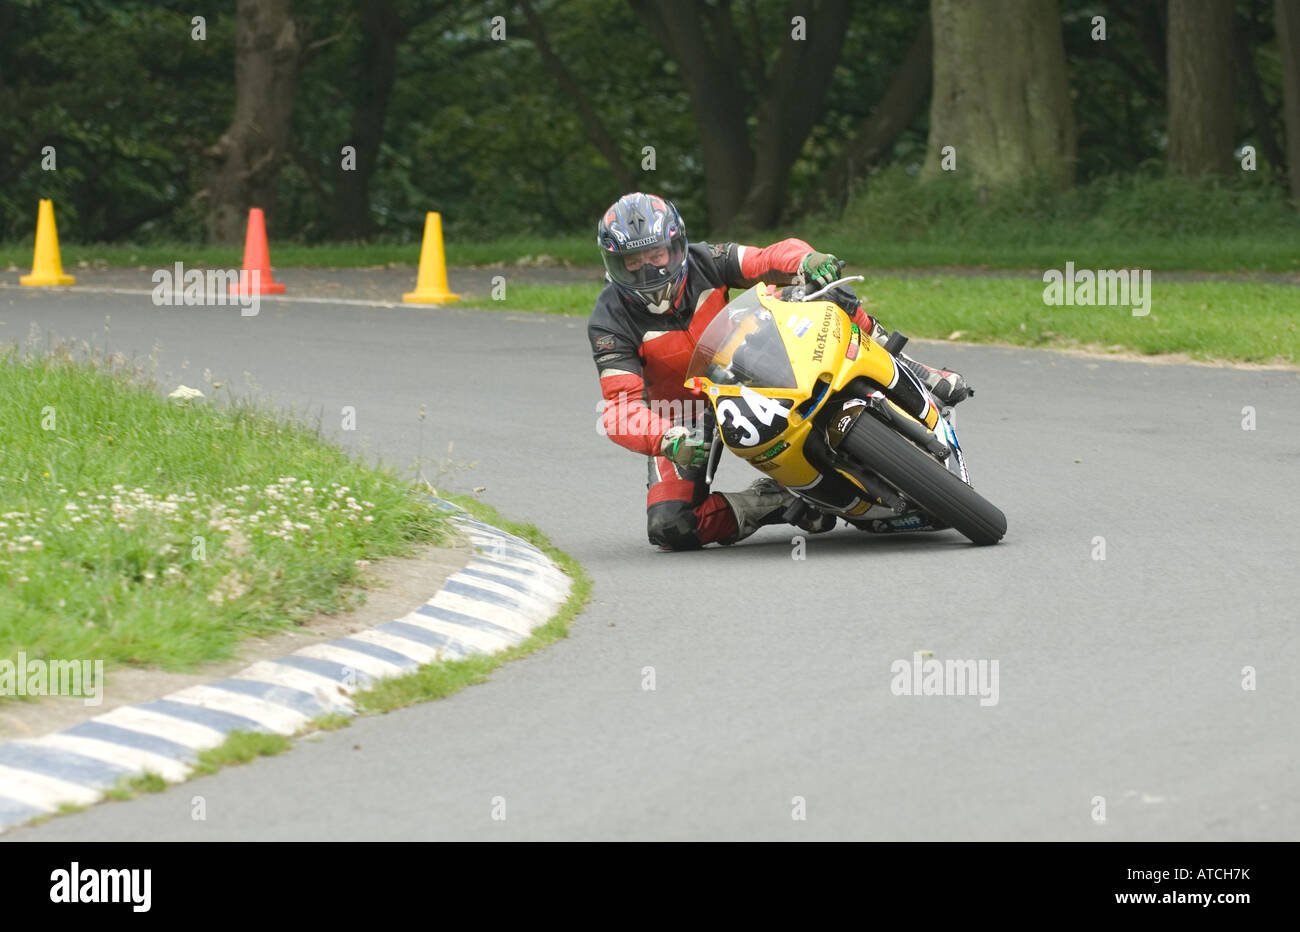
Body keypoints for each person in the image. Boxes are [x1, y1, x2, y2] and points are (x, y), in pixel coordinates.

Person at [588, 191, 971, 551]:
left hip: (748, 358)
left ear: (676, 247)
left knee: (828, 291)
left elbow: (767, 257)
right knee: (670, 526)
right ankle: (772, 500)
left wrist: (805, 261)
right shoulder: (609, 321)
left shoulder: (707, 259)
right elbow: (619, 408)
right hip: (684, 415)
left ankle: (910, 369)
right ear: (613, 264)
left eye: (655, 255)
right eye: (632, 262)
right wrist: (664, 438)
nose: (646, 270)